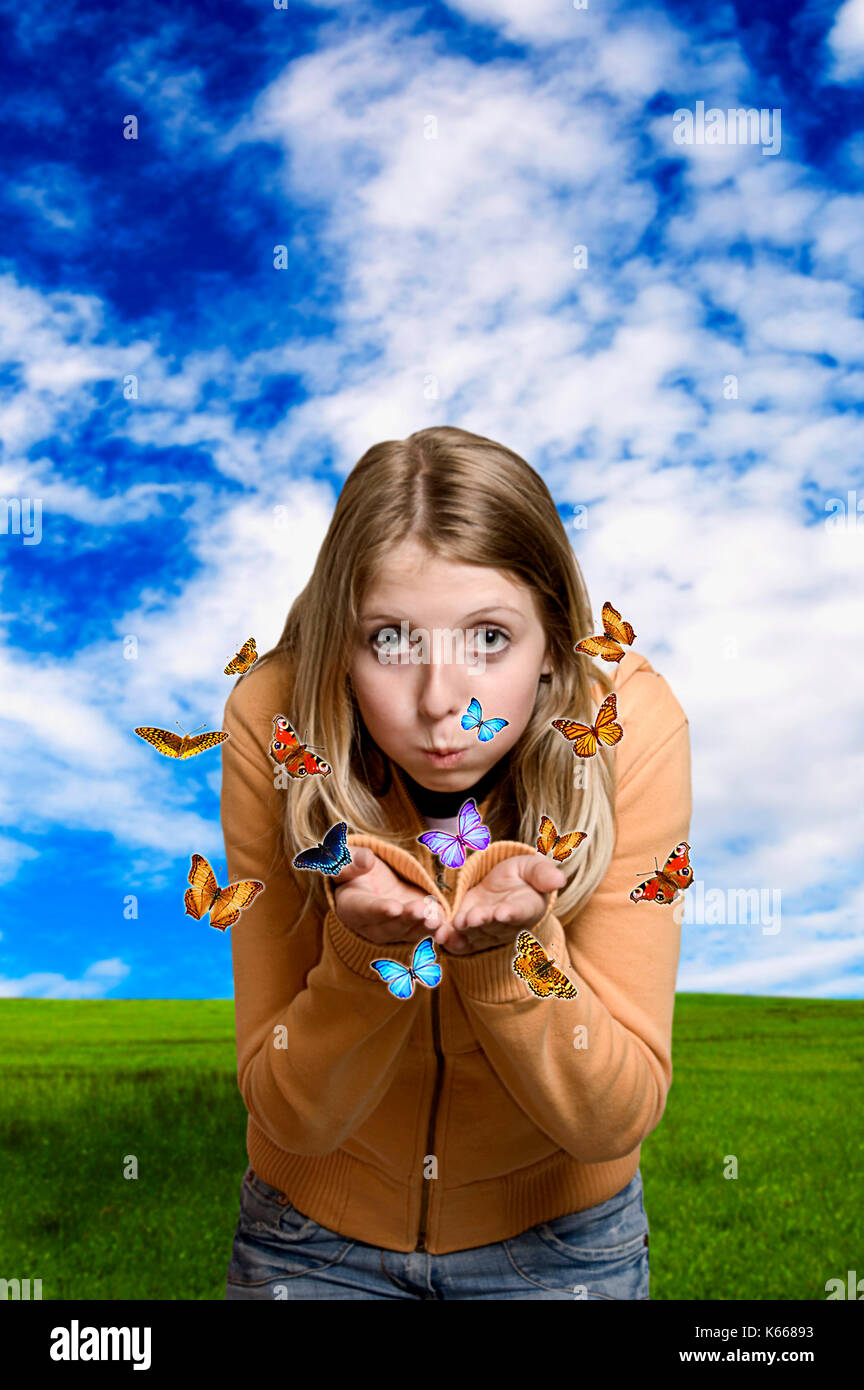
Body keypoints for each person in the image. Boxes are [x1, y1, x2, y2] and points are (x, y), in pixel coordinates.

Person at [221, 424, 691, 1300]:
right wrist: (366, 963)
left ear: (554, 641)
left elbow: (614, 1118)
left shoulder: (633, 727)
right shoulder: (274, 721)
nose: (442, 702)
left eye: (489, 639)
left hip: (561, 1242)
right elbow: (289, 1114)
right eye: (391, 641)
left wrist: (513, 960)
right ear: (338, 647)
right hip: (309, 1235)